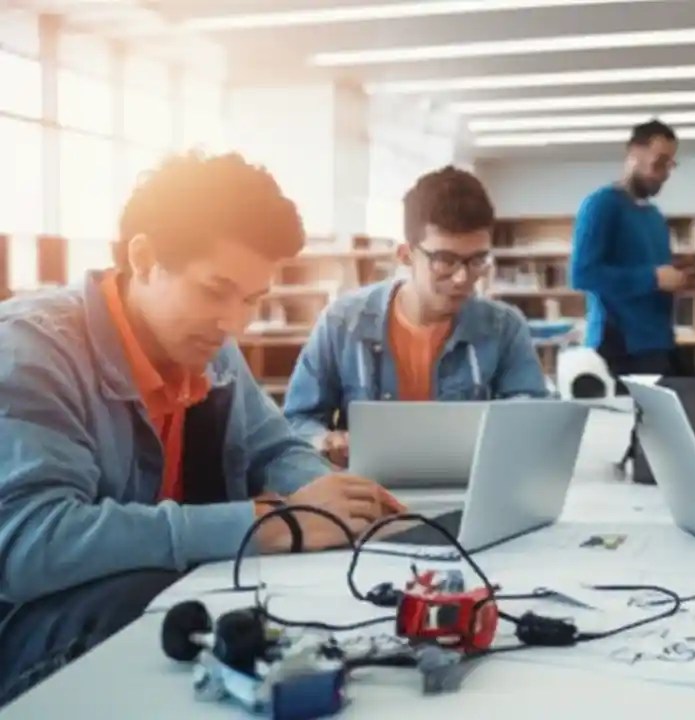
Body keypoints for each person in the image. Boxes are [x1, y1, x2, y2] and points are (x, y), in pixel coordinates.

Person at [0, 152, 405, 704]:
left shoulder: (208, 343)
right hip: (27, 630)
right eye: (215, 291)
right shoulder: (30, 352)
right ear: (144, 257)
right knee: (169, 597)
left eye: (251, 300)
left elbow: (276, 448)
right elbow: (29, 544)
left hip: (149, 605)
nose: (235, 322)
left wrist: (334, 505)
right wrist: (261, 526)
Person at [283, 165, 548, 467]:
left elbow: (533, 419)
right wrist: (324, 440)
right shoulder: (342, 322)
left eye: (476, 260)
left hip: (468, 491)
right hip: (367, 493)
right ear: (406, 255)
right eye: (444, 260)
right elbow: (297, 420)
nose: (463, 278)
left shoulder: (505, 327)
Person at [570, 119, 695, 379]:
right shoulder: (602, 204)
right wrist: (653, 277)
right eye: (659, 161)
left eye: (670, 164)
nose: (664, 173)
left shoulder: (654, 216)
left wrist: (683, 277)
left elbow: (652, 271)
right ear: (633, 153)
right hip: (620, 347)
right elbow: (583, 274)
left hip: (659, 342)